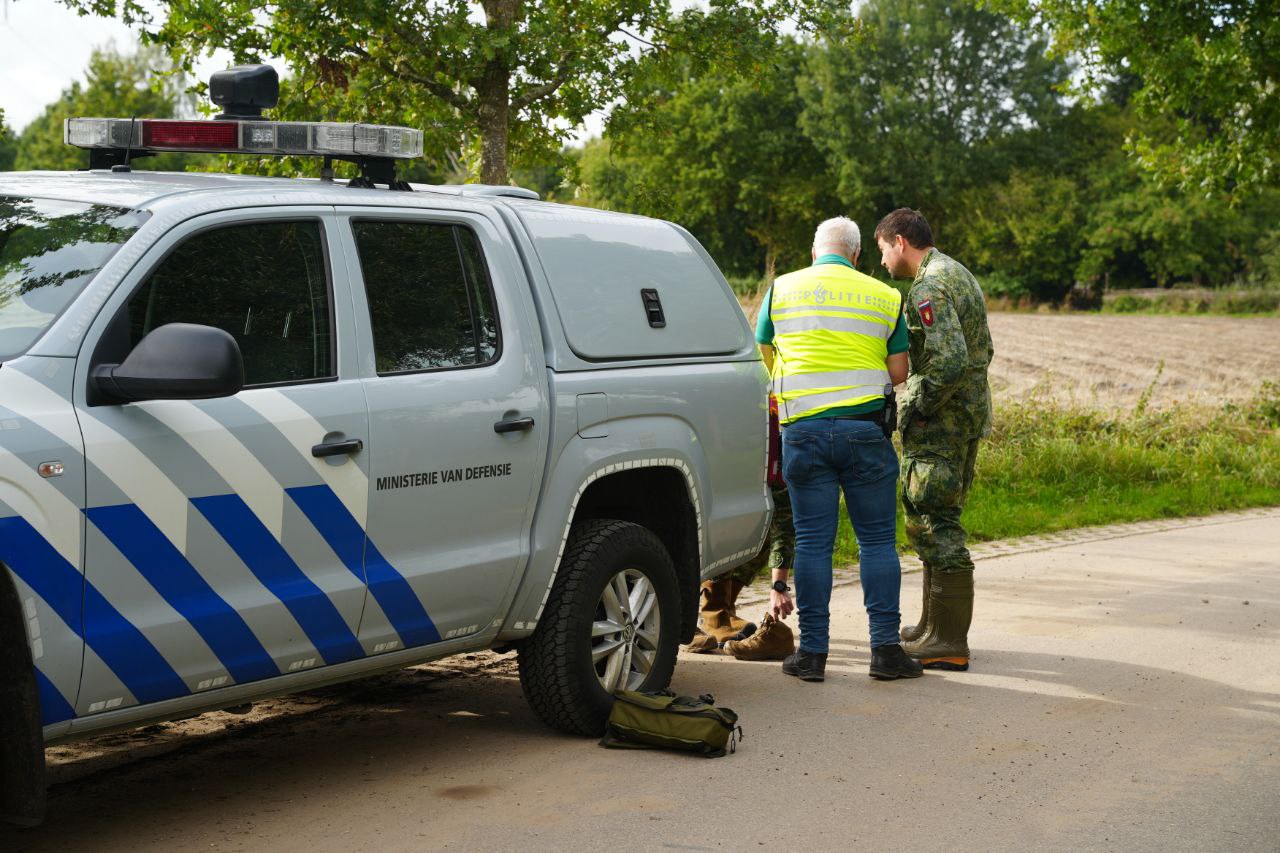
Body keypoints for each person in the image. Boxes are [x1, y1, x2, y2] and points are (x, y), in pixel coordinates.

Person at [756, 216, 922, 683]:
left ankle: (811, 654)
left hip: (803, 433)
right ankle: (886, 653)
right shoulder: (886, 296)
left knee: (812, 543)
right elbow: (898, 371)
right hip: (865, 433)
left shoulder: (781, 289)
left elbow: (763, 351)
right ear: (855, 256)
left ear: (814, 253)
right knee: (876, 542)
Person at [874, 208, 993, 672]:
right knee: (936, 517)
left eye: (883, 249)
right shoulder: (957, 273)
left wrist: (910, 404)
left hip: (941, 424)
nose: (882, 260)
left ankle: (947, 640)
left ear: (900, 241)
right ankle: (931, 628)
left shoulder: (928, 287)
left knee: (933, 521)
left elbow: (946, 361)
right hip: (964, 417)